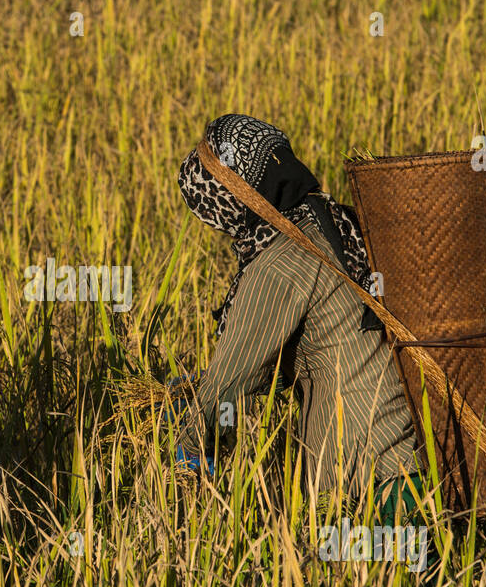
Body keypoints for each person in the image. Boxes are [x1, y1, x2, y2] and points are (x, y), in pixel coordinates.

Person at [170, 114, 425, 522]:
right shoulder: (332, 222)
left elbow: (229, 383)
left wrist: (187, 449)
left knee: (371, 586)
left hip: (364, 476)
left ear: (235, 198)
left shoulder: (279, 262)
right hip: (412, 454)